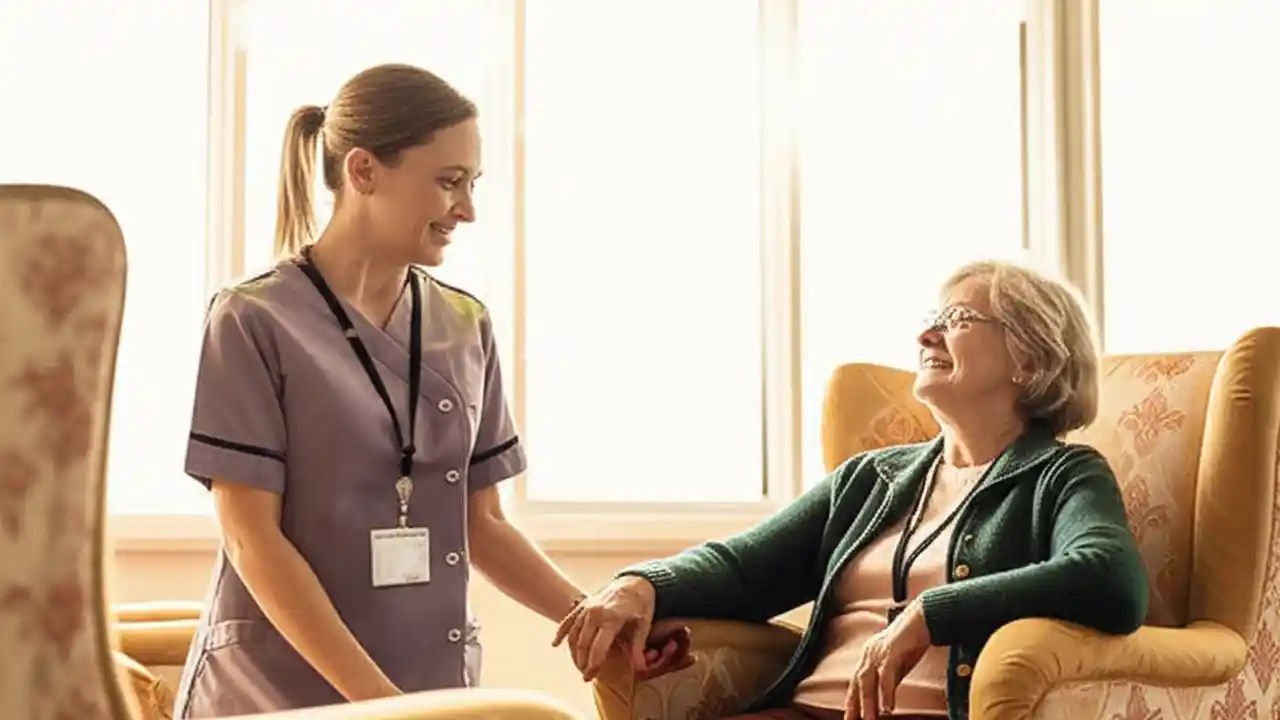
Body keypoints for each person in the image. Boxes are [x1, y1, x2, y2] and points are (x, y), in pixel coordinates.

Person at [173, 63, 595, 717]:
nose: (468, 209)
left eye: (473, 184)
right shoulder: (252, 319)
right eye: (449, 182)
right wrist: (380, 705)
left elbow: (483, 526)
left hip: (428, 685)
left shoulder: (464, 324)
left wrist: (591, 617)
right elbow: (250, 540)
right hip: (275, 693)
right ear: (364, 172)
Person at [555, 260, 1149, 720]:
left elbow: (1109, 579)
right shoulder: (871, 479)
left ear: (1031, 354)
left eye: (957, 320)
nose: (927, 334)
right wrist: (638, 586)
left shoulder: (1063, 475)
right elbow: (744, 569)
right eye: (932, 318)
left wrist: (928, 614)